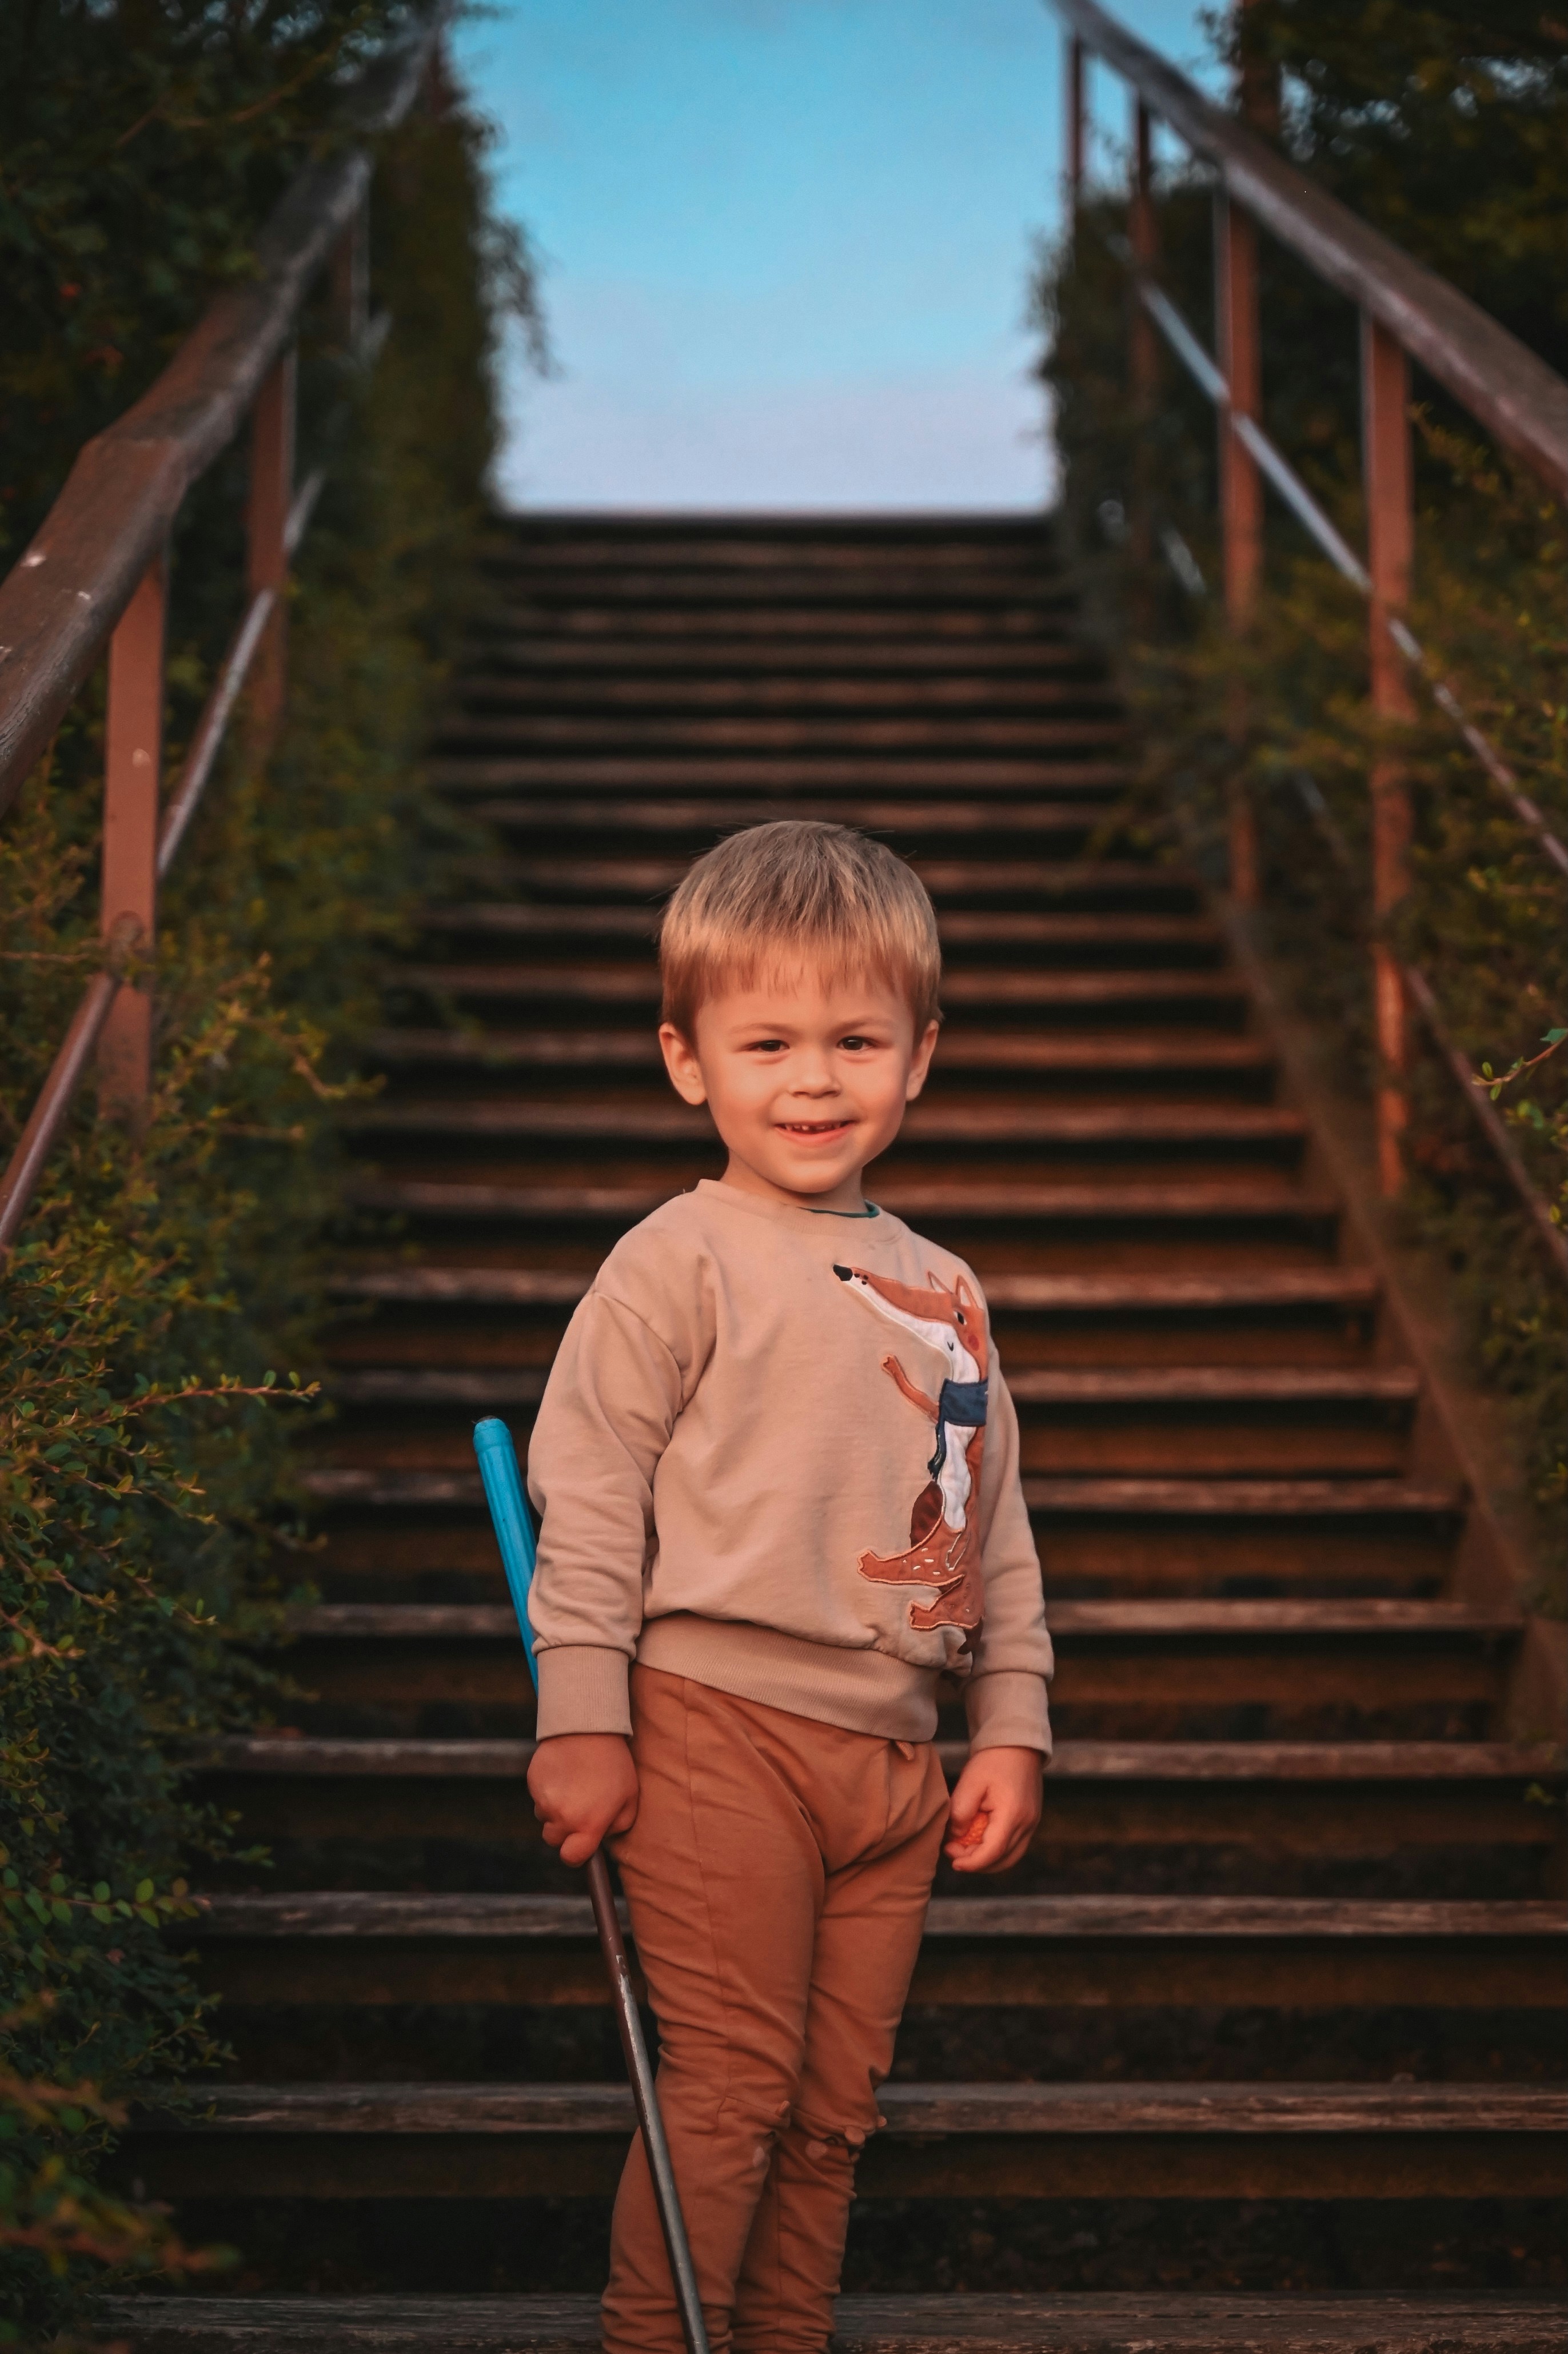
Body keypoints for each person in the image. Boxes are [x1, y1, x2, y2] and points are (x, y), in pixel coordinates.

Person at [525, 819, 1054, 2354]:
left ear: (920, 1057)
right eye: (768, 1042)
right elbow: (594, 1492)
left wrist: (1009, 1722)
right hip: (712, 1725)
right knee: (735, 2087)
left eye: (855, 1041)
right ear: (689, 1060)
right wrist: (584, 1713)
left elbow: (992, 1528)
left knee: (831, 2113)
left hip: (895, 1762)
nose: (814, 1080)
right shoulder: (673, 1262)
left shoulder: (946, 1289)